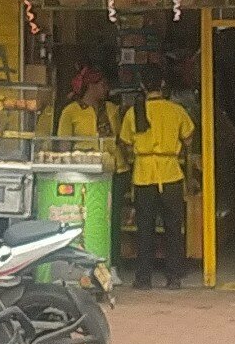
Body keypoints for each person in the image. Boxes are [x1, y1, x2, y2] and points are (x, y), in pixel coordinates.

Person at [119, 65, 194, 290]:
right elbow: (189, 139)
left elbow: (124, 143)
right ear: (162, 85)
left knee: (145, 227)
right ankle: (174, 278)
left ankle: (143, 279)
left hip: (144, 175)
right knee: (173, 227)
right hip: (171, 173)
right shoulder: (176, 110)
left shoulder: (135, 112)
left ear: (142, 86)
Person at [57, 66, 129, 271]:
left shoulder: (112, 110)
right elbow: (64, 145)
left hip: (115, 170)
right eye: (103, 85)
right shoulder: (71, 111)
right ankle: (83, 260)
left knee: (112, 219)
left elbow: (121, 138)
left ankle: (111, 263)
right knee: (83, 217)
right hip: (84, 173)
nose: (106, 89)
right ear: (91, 86)